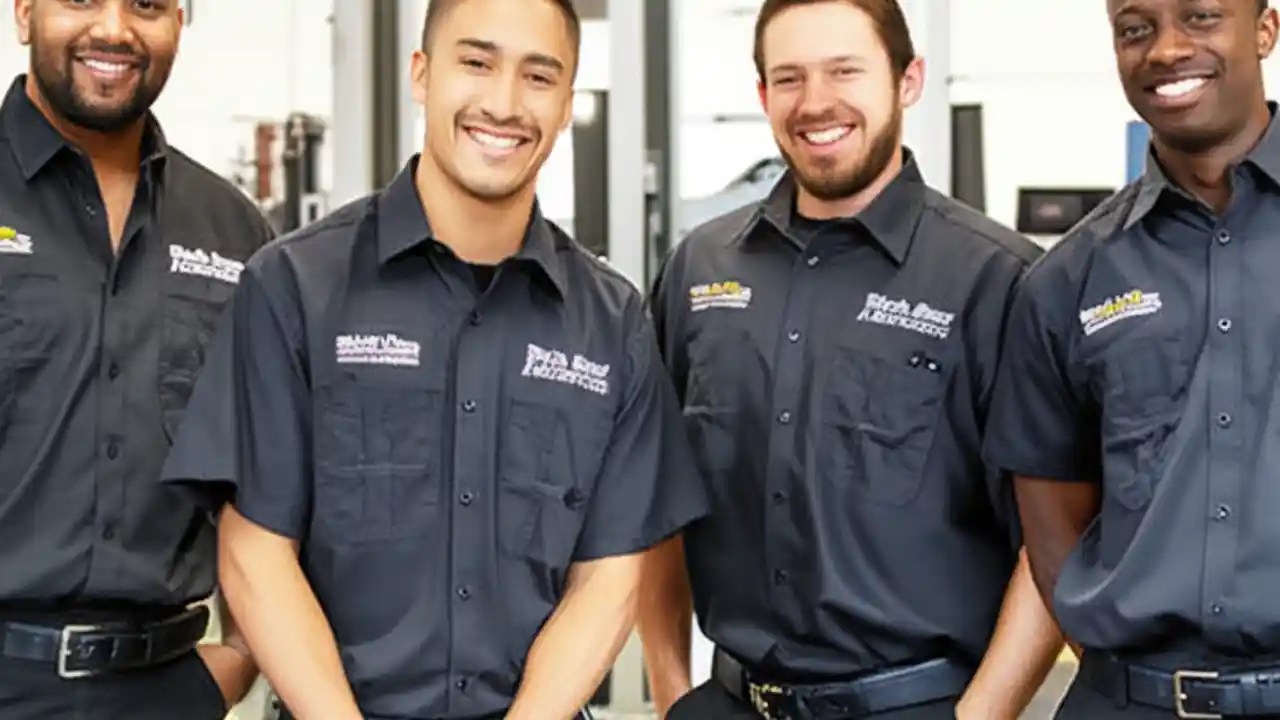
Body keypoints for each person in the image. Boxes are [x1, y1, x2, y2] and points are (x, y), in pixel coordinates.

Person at [158, 0, 709, 718]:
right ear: (422, 73)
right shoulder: (295, 288)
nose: (504, 103)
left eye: (539, 77)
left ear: (568, 103)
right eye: (476, 63)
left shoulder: (615, 325)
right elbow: (255, 553)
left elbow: (608, 579)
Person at [638, 1, 1068, 718]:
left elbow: (1053, 539)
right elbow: (657, 497)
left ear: (908, 80)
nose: (816, 103)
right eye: (789, 78)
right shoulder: (699, 268)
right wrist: (671, 689)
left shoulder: (997, 281)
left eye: (845, 71)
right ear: (762, 95)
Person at [983, 0, 1280, 717]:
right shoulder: (1067, 279)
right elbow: (1051, 524)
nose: (1166, 50)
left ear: (1265, 29)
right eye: (1135, 29)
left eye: (1202, 16)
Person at [0, 0, 275, 718]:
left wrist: (241, 658)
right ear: (25, 12)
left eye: (148, 5)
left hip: (168, 687)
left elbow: (268, 475)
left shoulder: (235, 232)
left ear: (180, 22)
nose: (116, 29)